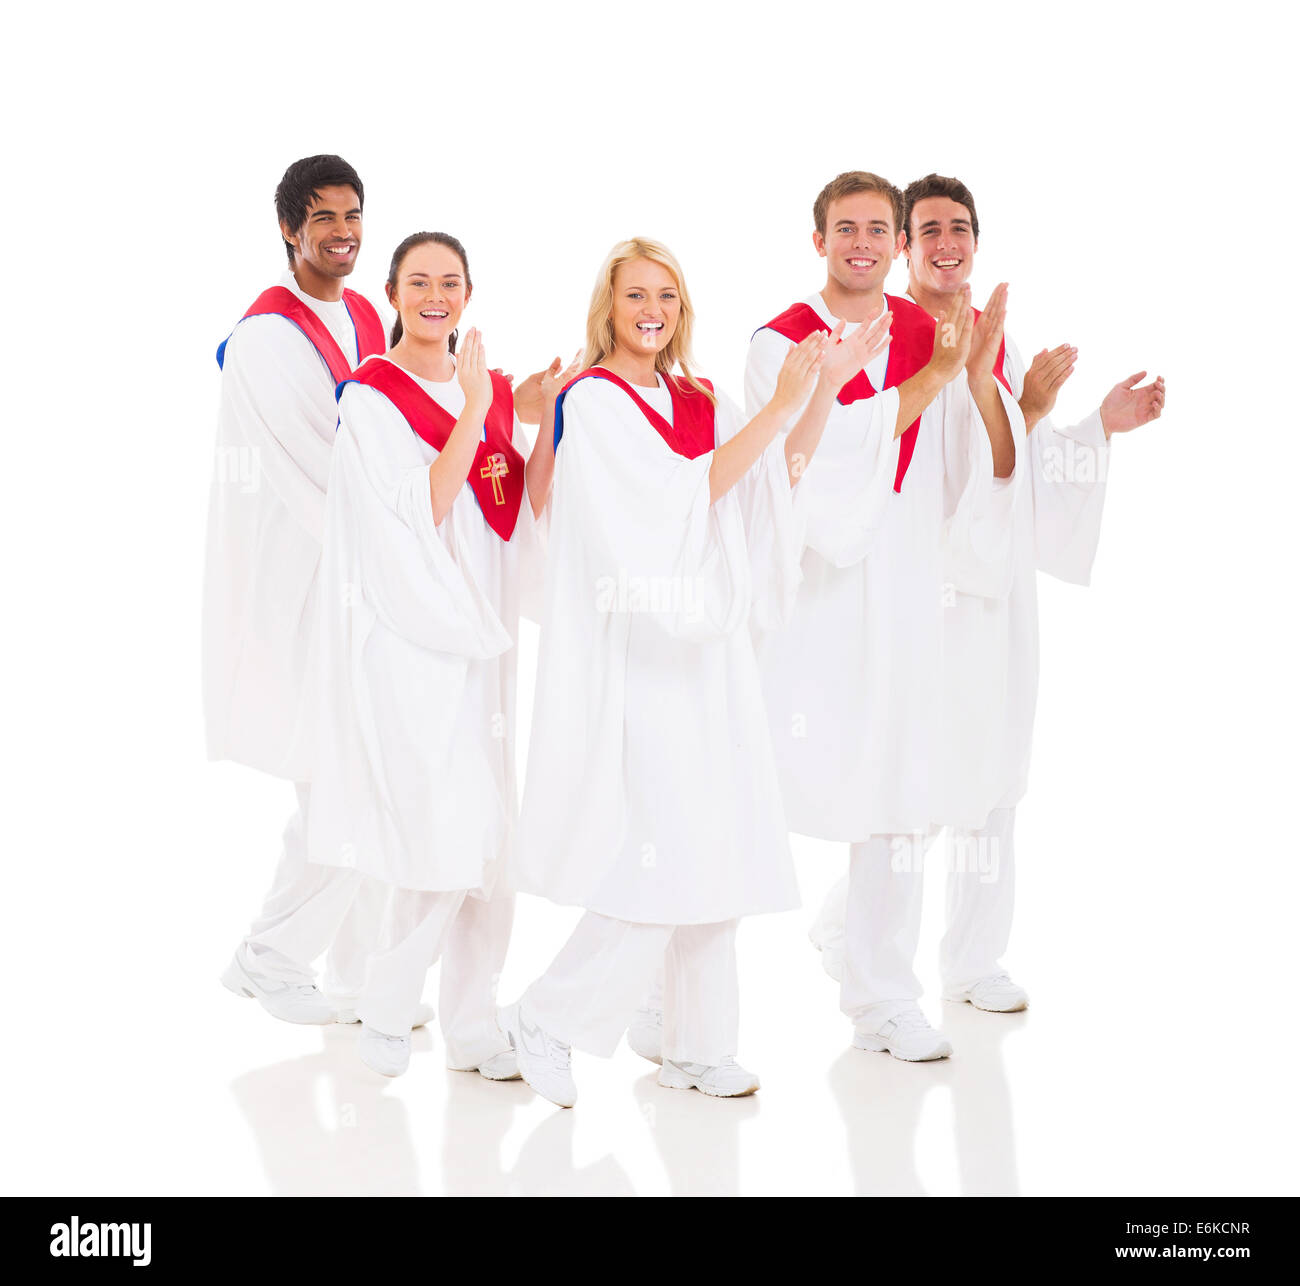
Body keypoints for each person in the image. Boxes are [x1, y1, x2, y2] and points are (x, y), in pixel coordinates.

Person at [502, 237, 891, 1107]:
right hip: (643, 652)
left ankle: (696, 1043)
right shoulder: (594, 402)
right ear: (607, 308)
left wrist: (820, 392)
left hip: (709, 658)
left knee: (718, 843)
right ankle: (550, 1017)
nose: (653, 309)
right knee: (660, 848)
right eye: (636, 294)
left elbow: (768, 482)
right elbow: (671, 507)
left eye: (668, 295)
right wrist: (783, 402)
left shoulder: (697, 396)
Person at [808, 173, 1165, 1016]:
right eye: (926, 228)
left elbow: (1009, 470)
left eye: (958, 228)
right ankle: (854, 944)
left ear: (975, 242)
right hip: (909, 586)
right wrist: (960, 378)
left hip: (990, 593)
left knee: (993, 768)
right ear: (901, 246)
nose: (944, 243)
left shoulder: (997, 339)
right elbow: (863, 460)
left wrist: (1081, 422)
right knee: (908, 781)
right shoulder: (880, 336)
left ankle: (972, 962)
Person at [744, 170, 1021, 1062]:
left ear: (897, 244)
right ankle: (662, 990)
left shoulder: (927, 331)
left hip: (906, 590)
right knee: (750, 784)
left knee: (901, 790)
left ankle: (881, 995)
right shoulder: (779, 341)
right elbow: (808, 464)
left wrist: (975, 378)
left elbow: (968, 467)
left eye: (878, 228)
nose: (863, 241)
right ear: (817, 239)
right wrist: (939, 374)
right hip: (821, 594)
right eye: (845, 227)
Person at [309, 231, 578, 1078]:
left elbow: (516, 482)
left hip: (484, 635)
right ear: (390, 292)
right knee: (443, 830)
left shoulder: (485, 387)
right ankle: (389, 1009)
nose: (436, 295)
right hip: (416, 641)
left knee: (490, 838)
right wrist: (473, 409)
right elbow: (420, 511)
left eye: (450, 282)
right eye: (418, 281)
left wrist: (545, 401)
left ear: (469, 293)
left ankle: (471, 1023)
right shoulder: (374, 399)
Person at [205, 155, 400, 1025]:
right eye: (324, 218)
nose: (344, 232)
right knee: (341, 771)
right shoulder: (266, 337)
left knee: (369, 768)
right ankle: (272, 953)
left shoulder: (365, 309)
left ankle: (363, 972)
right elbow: (312, 468)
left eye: (353, 214)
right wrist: (410, 535)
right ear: (289, 229)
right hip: (303, 575)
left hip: (365, 574)